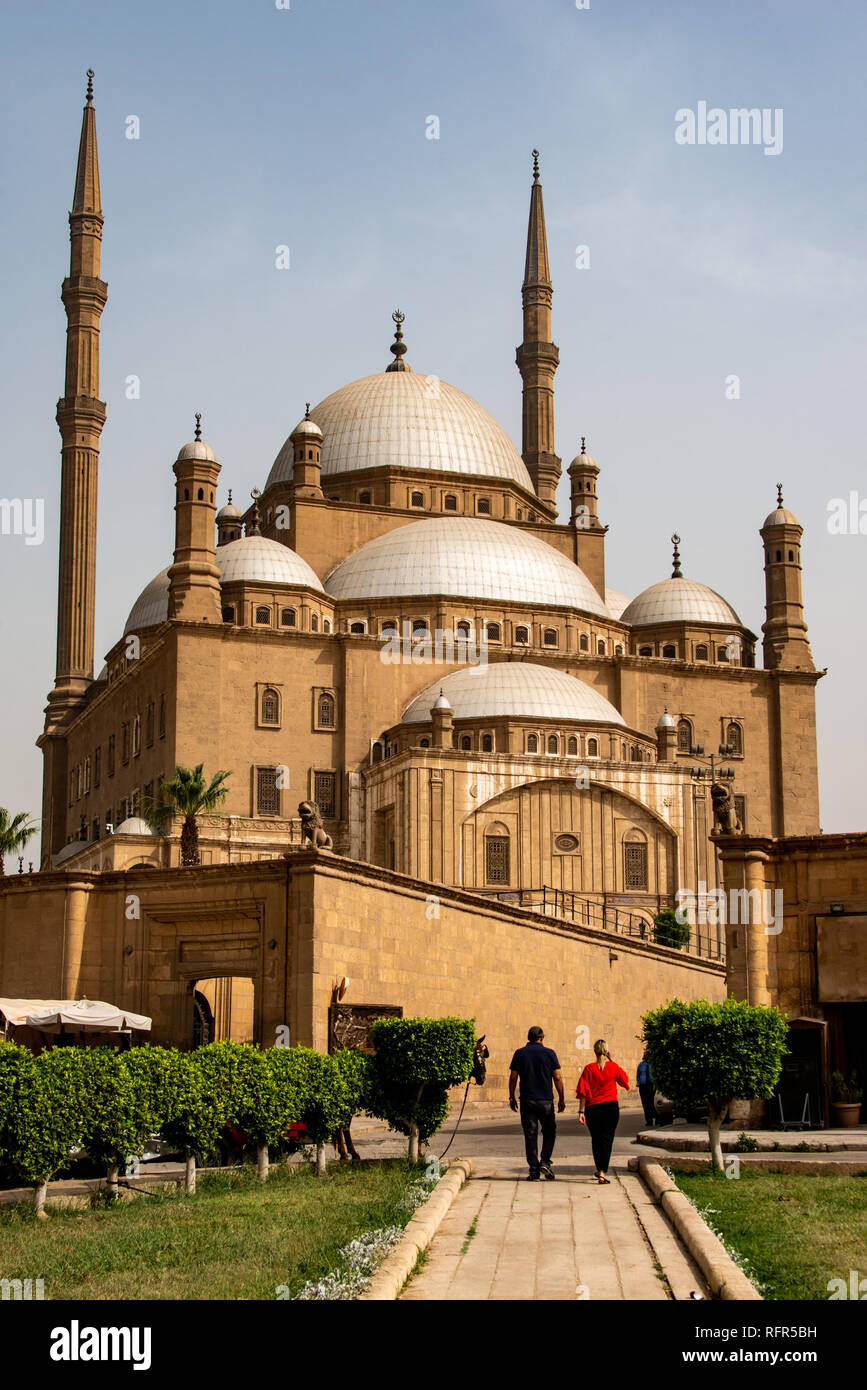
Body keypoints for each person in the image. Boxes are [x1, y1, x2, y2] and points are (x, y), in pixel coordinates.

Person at [509, 1026, 565, 1180]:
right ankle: (545, 1162)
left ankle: (533, 1169)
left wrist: (511, 1096)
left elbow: (513, 1077)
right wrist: (561, 1097)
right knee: (549, 1131)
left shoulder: (519, 1054)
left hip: (527, 1100)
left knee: (530, 1133)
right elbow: (557, 1077)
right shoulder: (550, 1053)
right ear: (542, 1038)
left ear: (529, 1037)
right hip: (545, 1100)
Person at [577, 1039, 629, 1184]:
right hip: (610, 1107)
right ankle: (602, 1172)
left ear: (594, 1051)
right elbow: (625, 1081)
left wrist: (581, 1112)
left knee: (596, 1139)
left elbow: (583, 1092)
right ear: (606, 1051)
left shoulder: (589, 1069)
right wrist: (612, 1060)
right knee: (607, 1139)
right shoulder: (613, 1067)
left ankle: (599, 1168)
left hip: (592, 1108)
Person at [636, 1049, 655, 1127]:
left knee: (653, 1103)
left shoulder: (653, 1065)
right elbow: (638, 1074)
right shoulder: (641, 1065)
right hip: (643, 1086)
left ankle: (657, 1118)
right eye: (646, 1055)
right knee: (645, 1104)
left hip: (652, 1085)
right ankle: (649, 1121)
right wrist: (639, 1083)